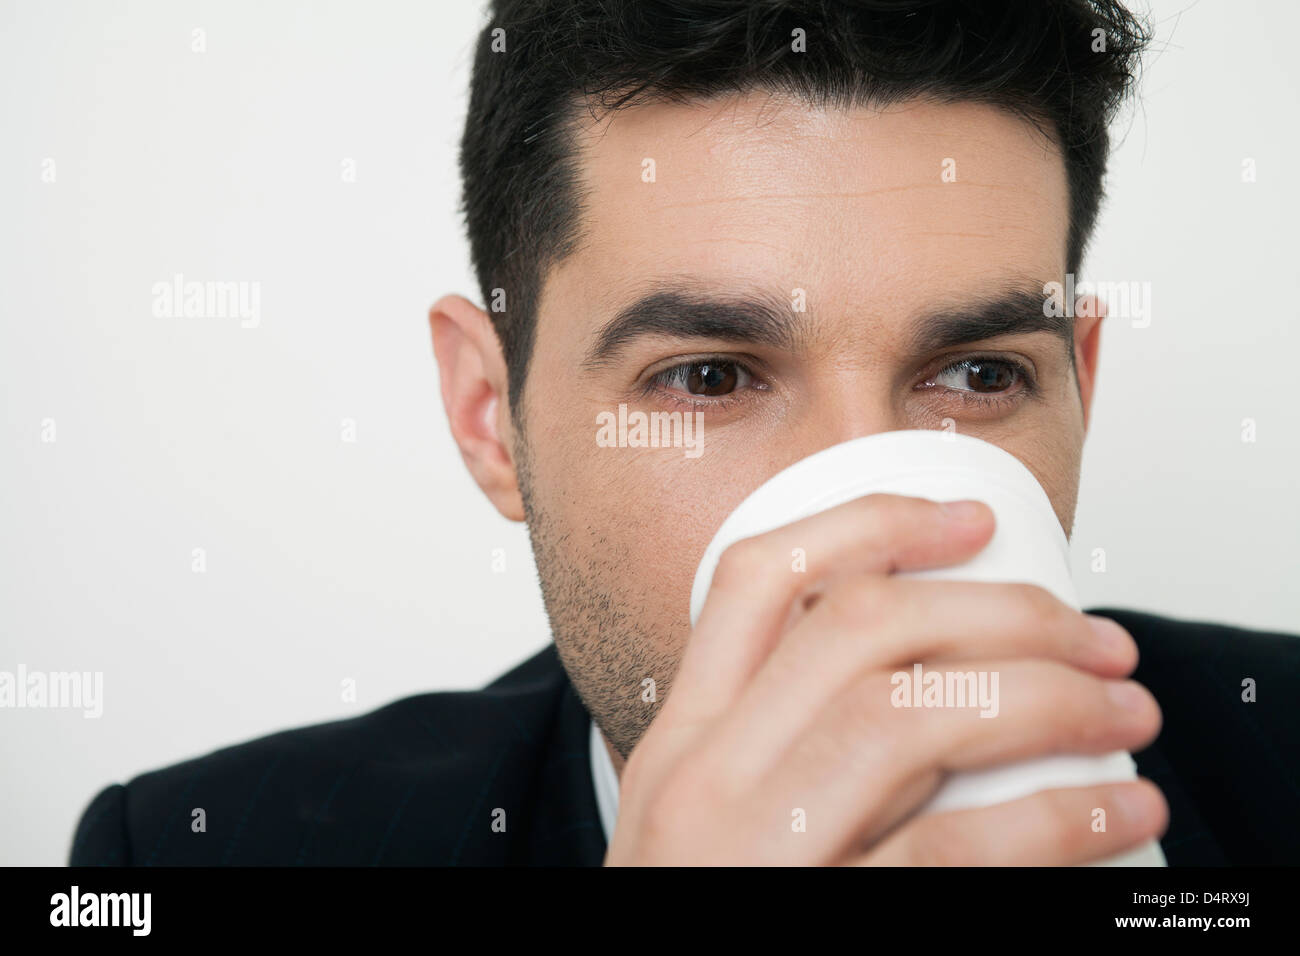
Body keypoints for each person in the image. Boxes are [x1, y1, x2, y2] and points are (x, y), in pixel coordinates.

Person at [70, 0, 1299, 867]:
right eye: (709, 375)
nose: (858, 540)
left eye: (977, 372)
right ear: (489, 416)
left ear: (1077, 386)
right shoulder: (211, 847)